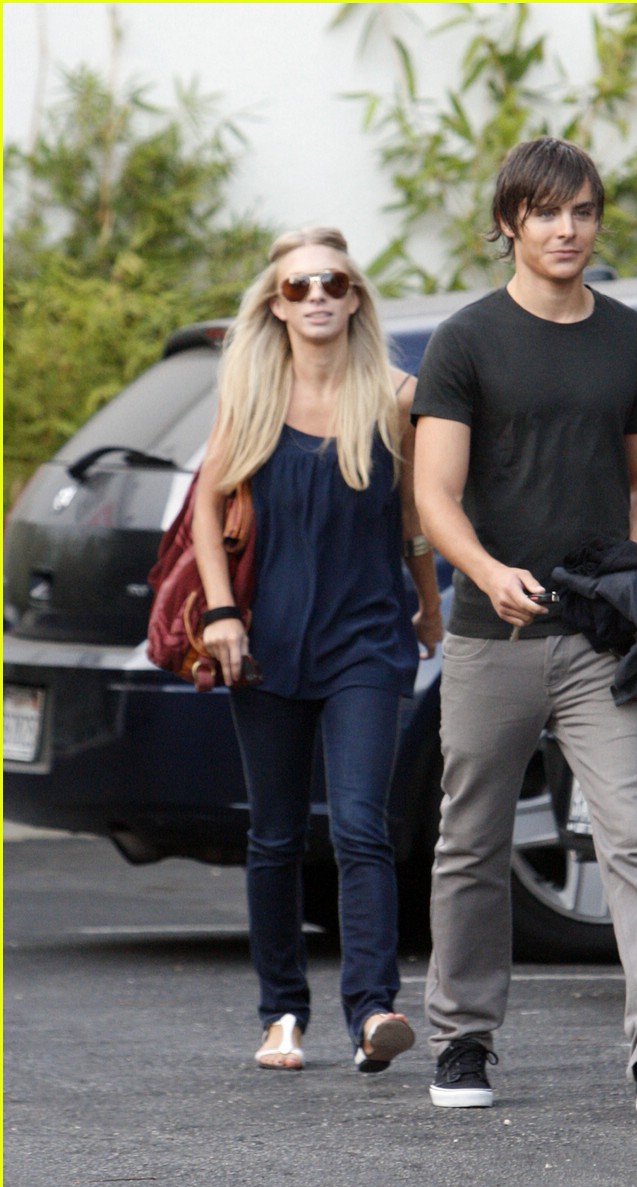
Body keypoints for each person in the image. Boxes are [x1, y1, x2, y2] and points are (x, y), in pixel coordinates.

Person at [412, 137, 637, 1122]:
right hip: (489, 638)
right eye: (546, 212)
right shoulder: (465, 341)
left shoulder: (634, 341)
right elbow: (434, 494)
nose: (566, 229)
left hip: (599, 641)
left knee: (634, 835)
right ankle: (462, 1038)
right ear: (509, 222)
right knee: (471, 840)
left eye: (582, 211)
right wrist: (487, 572)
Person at [193, 227, 443, 1073]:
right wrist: (221, 613)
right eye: (298, 286)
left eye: (333, 282)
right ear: (276, 304)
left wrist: (430, 608)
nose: (318, 297)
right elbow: (206, 509)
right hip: (265, 645)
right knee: (274, 836)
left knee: (363, 827)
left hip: (367, 643)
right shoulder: (252, 397)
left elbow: (414, 518)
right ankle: (281, 1014)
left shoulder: (397, 398)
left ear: (355, 296)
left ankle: (372, 1010)